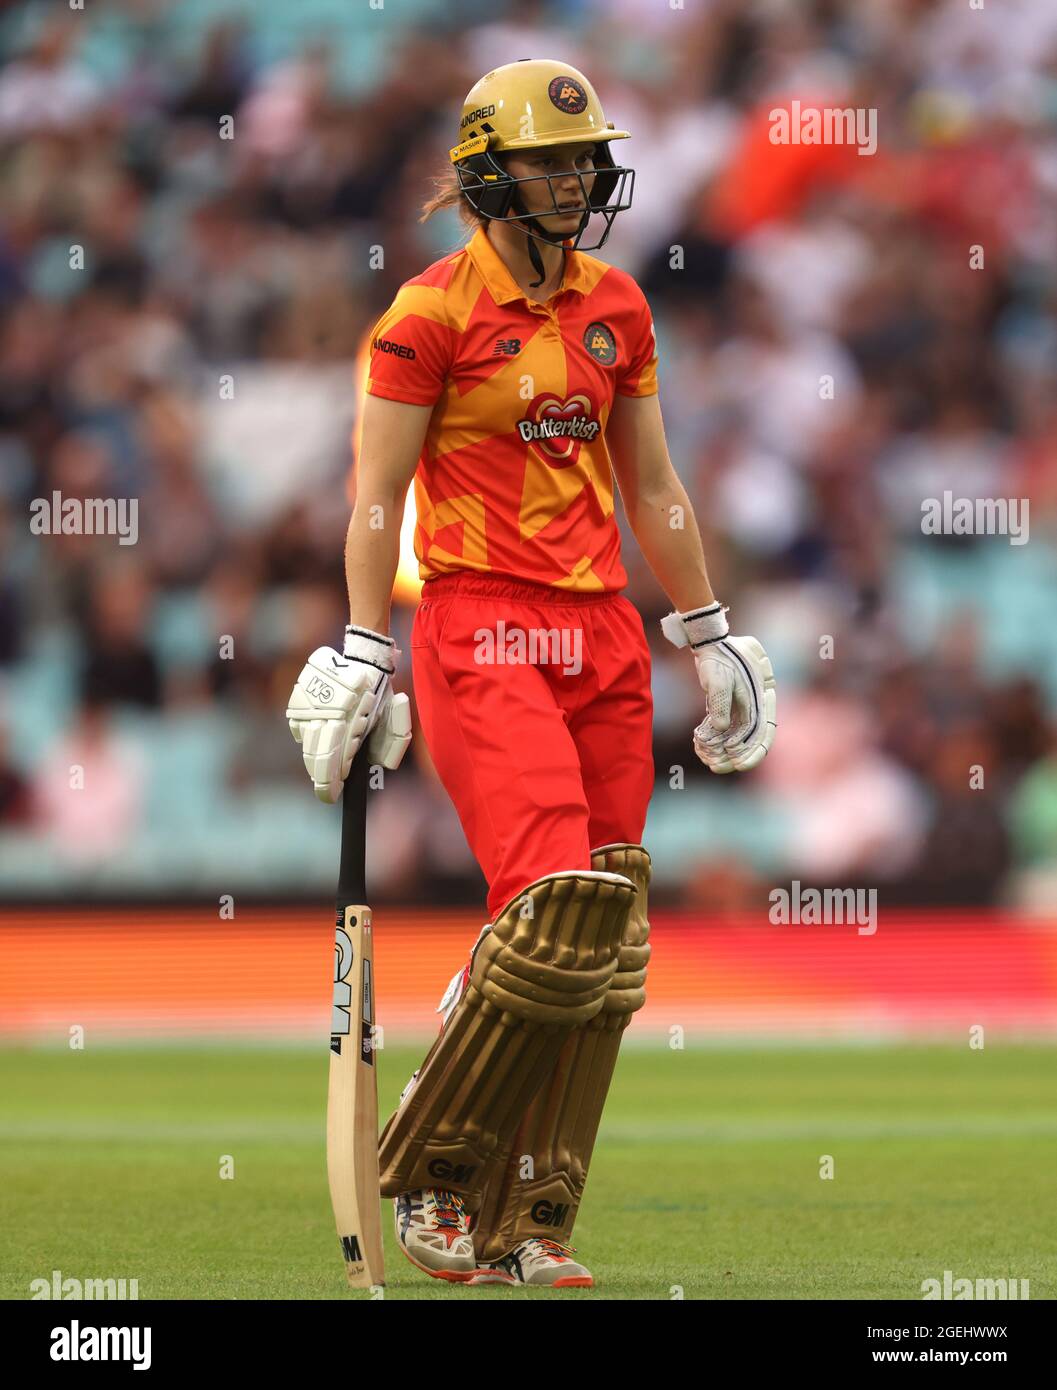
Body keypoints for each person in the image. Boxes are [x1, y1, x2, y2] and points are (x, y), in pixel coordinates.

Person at [287, 58, 776, 1290]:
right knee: (553, 906)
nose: (577, 176)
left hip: (605, 629)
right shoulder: (426, 316)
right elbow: (374, 500)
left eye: (584, 158)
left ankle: (533, 1219)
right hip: (483, 623)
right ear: (485, 173)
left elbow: (653, 486)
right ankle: (436, 1181)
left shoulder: (620, 303)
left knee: (606, 940)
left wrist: (707, 627)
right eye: (551, 160)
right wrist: (361, 640)